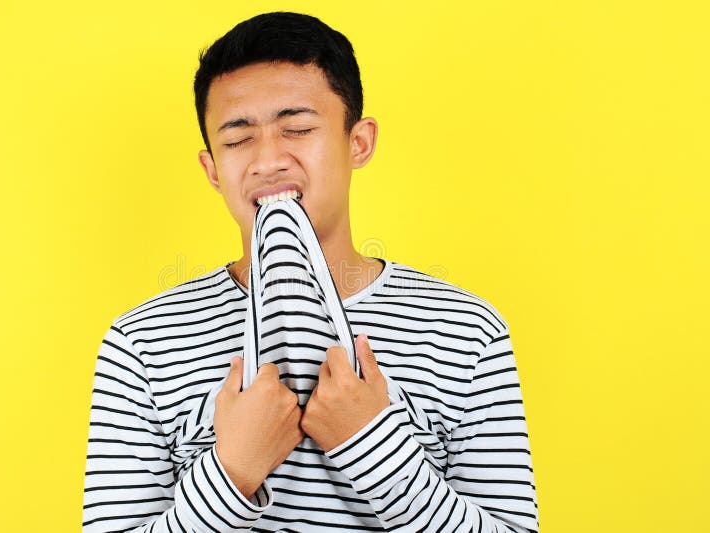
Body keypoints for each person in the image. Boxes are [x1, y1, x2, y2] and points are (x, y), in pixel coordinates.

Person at [83, 11, 538, 533]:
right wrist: (231, 472)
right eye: (237, 140)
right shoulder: (140, 343)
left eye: (297, 128)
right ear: (212, 169)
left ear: (358, 142)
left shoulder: (468, 330)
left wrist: (371, 445)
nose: (267, 160)